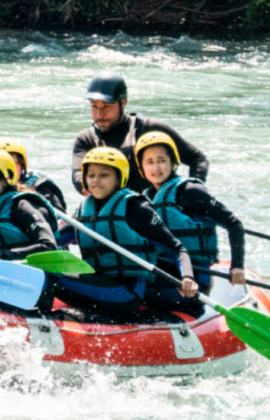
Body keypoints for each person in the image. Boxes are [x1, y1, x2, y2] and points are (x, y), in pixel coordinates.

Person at [56, 147, 198, 315]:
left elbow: (178, 249)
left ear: (119, 178)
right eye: (91, 175)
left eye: (104, 175)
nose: (95, 180)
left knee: (50, 277)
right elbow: (56, 240)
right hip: (98, 281)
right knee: (41, 270)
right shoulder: (83, 210)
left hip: (124, 293)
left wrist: (187, 277)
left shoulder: (135, 207)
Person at [135, 131, 246, 299]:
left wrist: (237, 266)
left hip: (193, 280)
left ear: (173, 162)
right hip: (162, 271)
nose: (156, 168)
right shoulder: (145, 198)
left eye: (162, 161)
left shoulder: (191, 191)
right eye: (149, 162)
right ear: (142, 168)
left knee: (133, 291)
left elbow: (233, 223)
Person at [70, 71, 210, 193]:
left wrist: (192, 193)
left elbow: (197, 158)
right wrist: (88, 185)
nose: (99, 114)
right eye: (94, 106)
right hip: (114, 214)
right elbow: (77, 174)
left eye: (107, 107)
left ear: (122, 103)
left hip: (155, 212)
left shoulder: (149, 129)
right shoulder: (85, 139)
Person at [0, 149, 58, 262]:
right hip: (6, 274)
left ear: (6, 180)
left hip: (38, 275)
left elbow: (49, 246)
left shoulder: (22, 205)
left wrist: (4, 255)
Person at [0, 138, 67, 213]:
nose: (5, 171)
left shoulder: (40, 187)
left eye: (11, 165)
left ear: (22, 165)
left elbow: (60, 221)